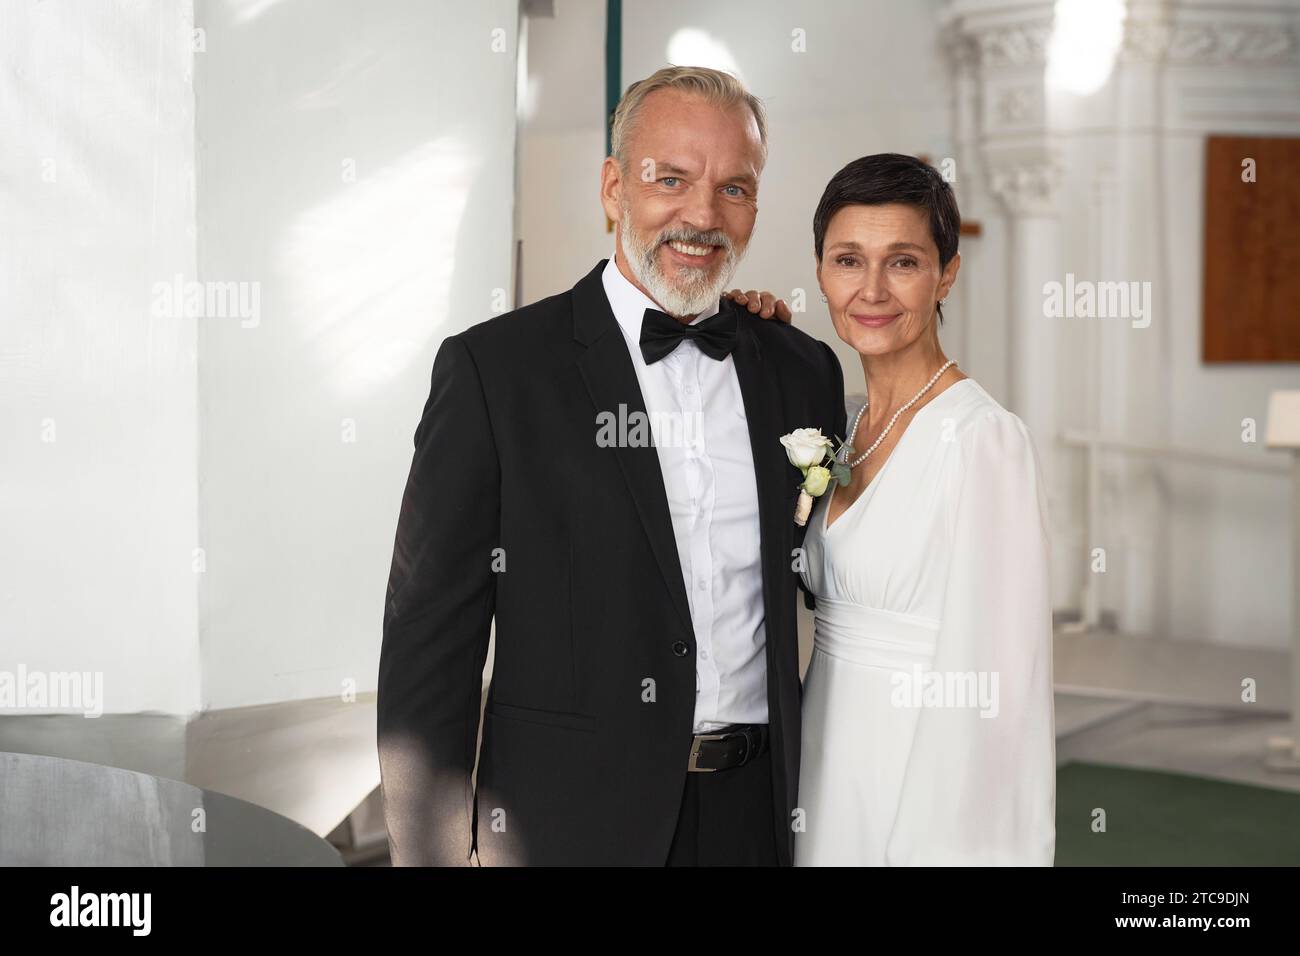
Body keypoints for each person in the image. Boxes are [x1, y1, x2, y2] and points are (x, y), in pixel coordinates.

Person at [377, 66, 844, 866]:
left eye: (734, 188)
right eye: (671, 179)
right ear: (614, 188)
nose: (702, 215)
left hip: (757, 821)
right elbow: (429, 650)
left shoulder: (803, 371)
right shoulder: (497, 373)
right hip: (561, 827)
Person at [791, 153, 1056, 865]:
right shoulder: (845, 428)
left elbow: (994, 687)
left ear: (946, 274)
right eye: (848, 260)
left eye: (902, 262)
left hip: (912, 778)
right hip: (819, 764)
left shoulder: (983, 439)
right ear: (821, 272)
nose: (871, 290)